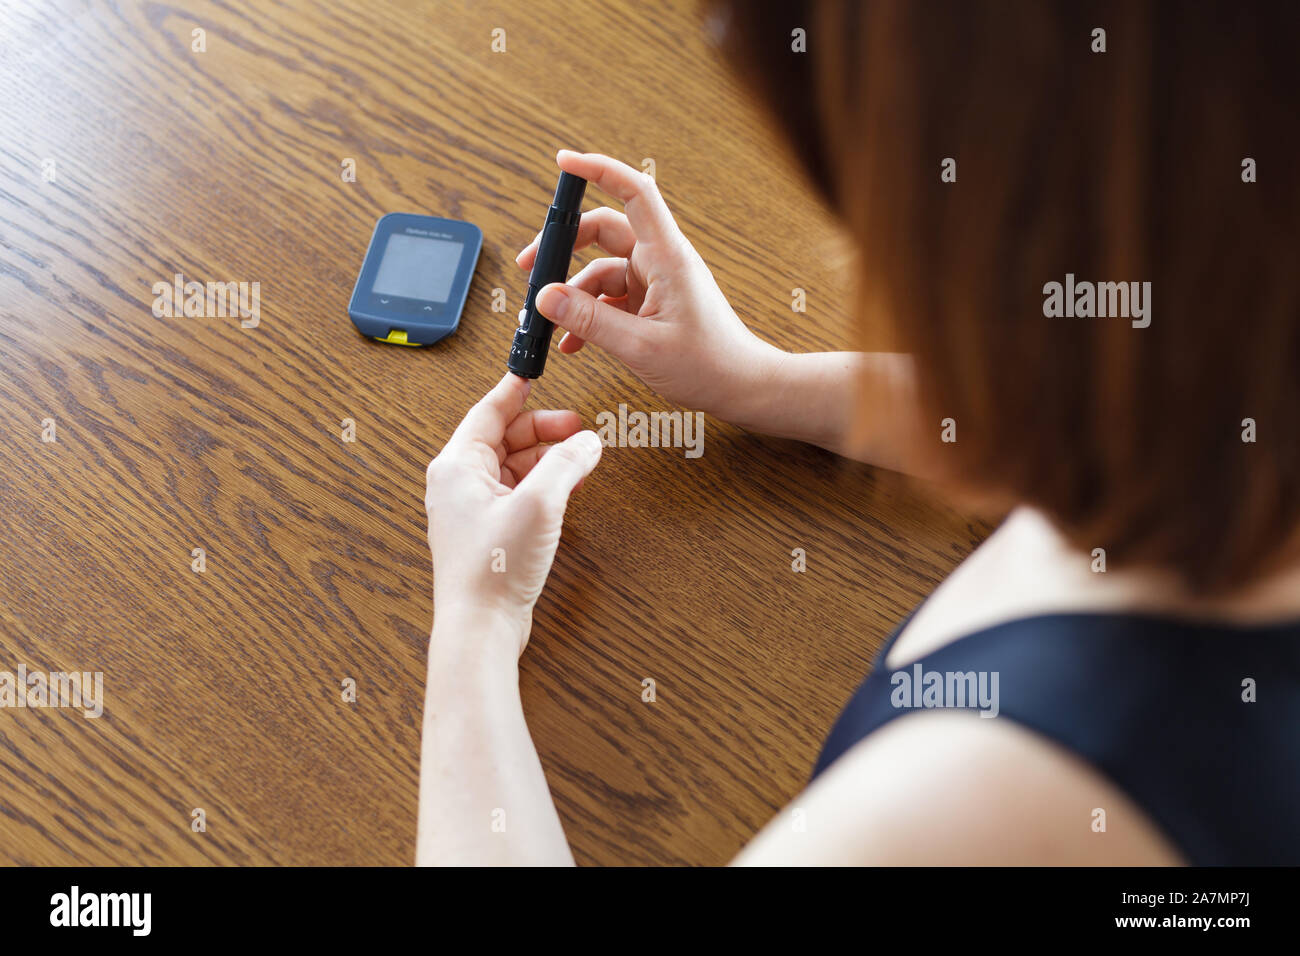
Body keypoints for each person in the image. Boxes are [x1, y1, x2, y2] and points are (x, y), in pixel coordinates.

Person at [417, 1, 1299, 865]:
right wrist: (758, 381)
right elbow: (1131, 408)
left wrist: (475, 618)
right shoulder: (1242, 339)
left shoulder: (984, 805)